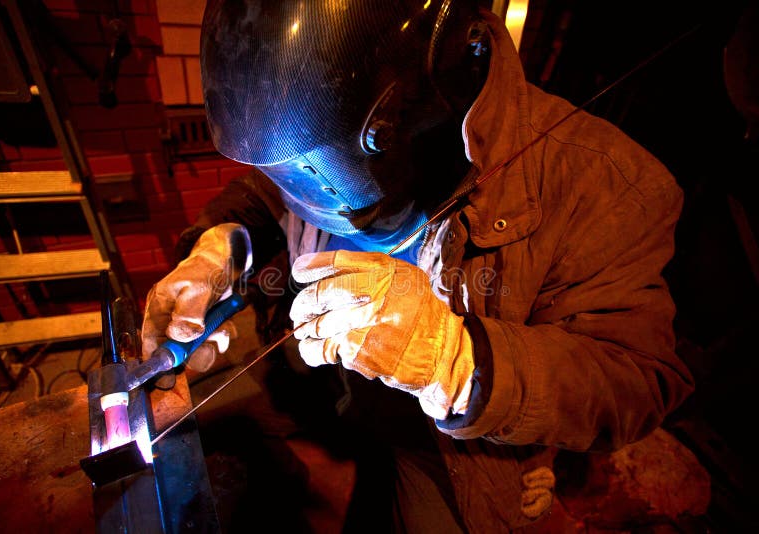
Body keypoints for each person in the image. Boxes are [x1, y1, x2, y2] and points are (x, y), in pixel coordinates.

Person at [141, 1, 695, 531]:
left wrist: (453, 361)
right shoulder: (315, 121)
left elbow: (637, 379)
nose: (314, 186)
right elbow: (270, 192)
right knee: (180, 433)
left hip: (443, 441)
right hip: (314, 367)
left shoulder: (605, 180)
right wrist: (219, 247)